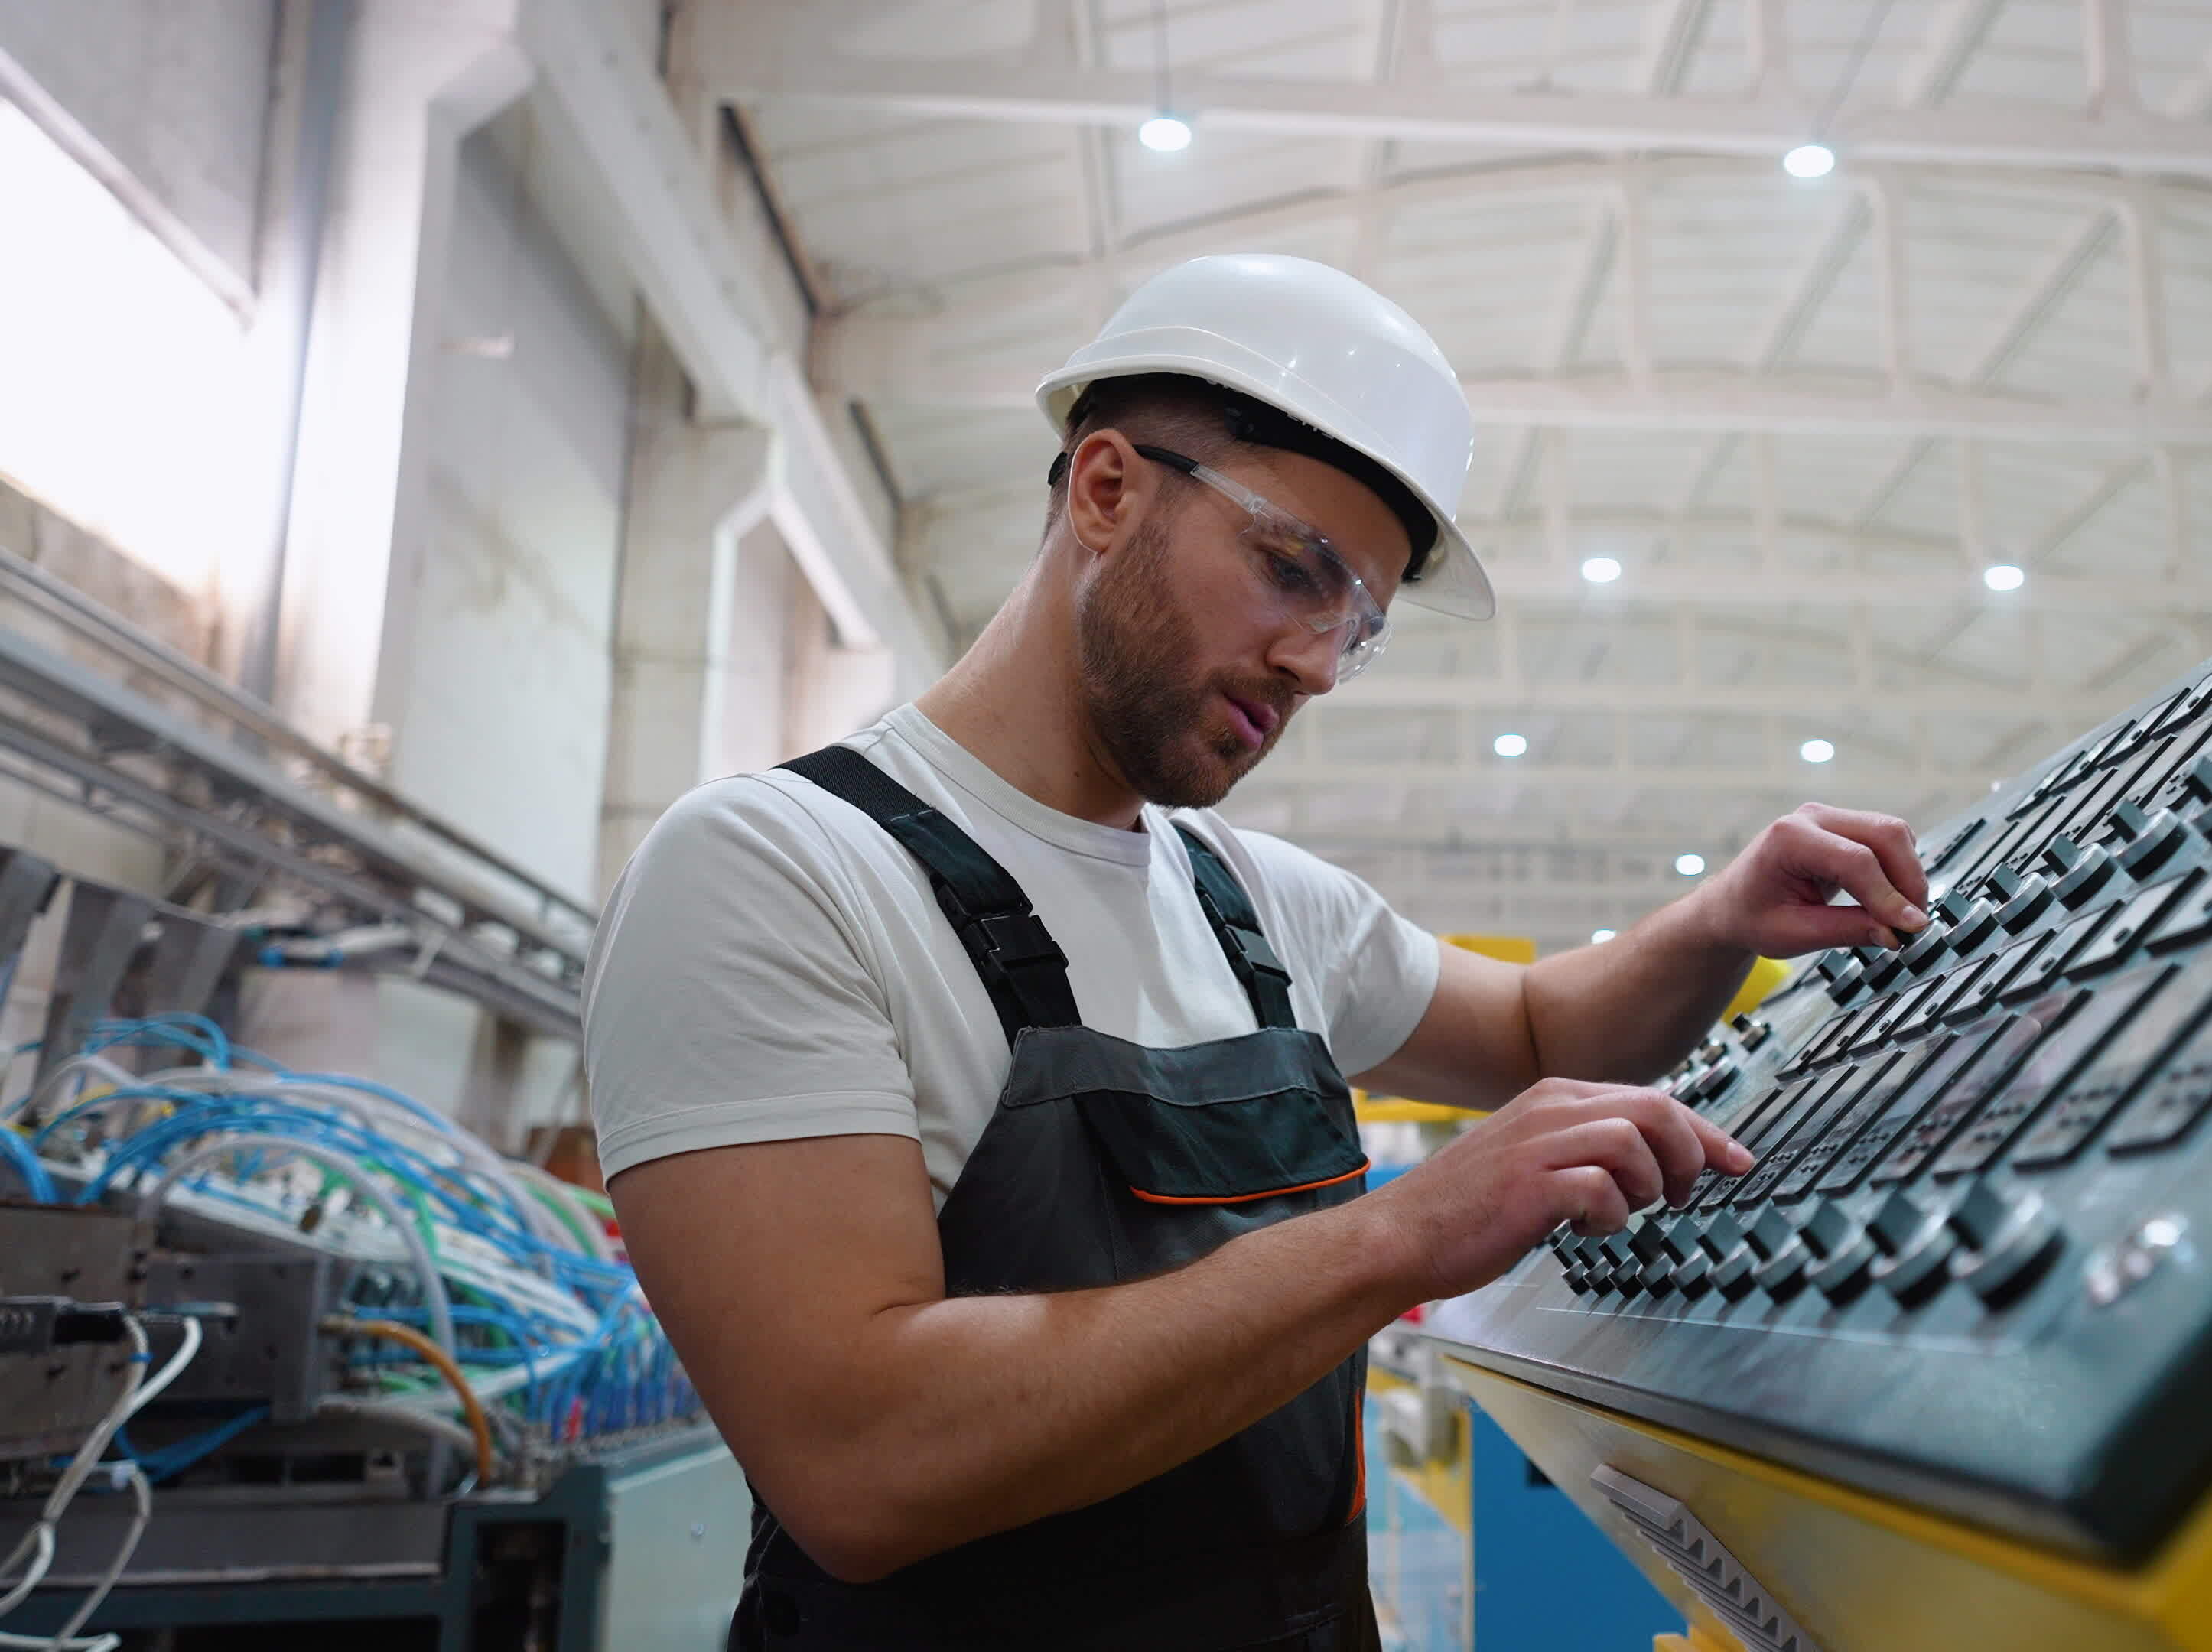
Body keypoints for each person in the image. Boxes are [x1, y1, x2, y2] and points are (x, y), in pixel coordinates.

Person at [582, 253, 1935, 1650]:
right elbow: (859, 1461)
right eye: (1292, 572)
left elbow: (1538, 1032)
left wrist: (1718, 918)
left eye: (1357, 628)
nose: (1311, 664)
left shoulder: (1254, 903)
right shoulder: (778, 871)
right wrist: (1401, 1234)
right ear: (1105, 490)